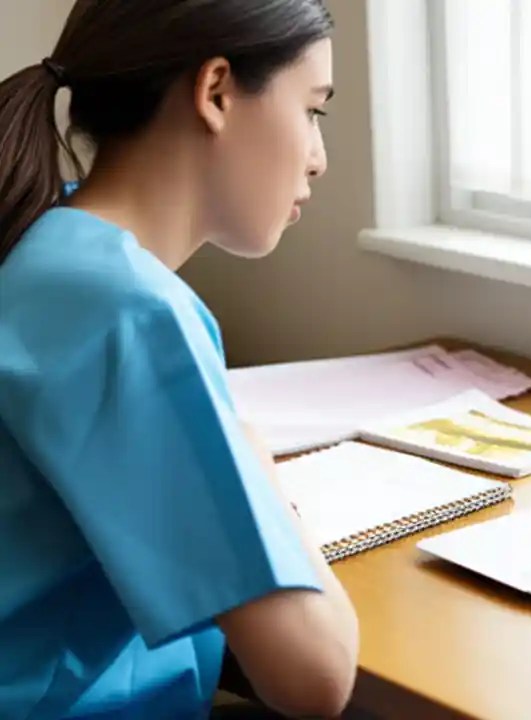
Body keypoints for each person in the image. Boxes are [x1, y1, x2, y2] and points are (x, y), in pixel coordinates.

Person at [0, 1, 360, 718]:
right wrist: (253, 459)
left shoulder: (45, 243)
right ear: (217, 91)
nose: (318, 157)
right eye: (313, 110)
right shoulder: (124, 309)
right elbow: (317, 676)